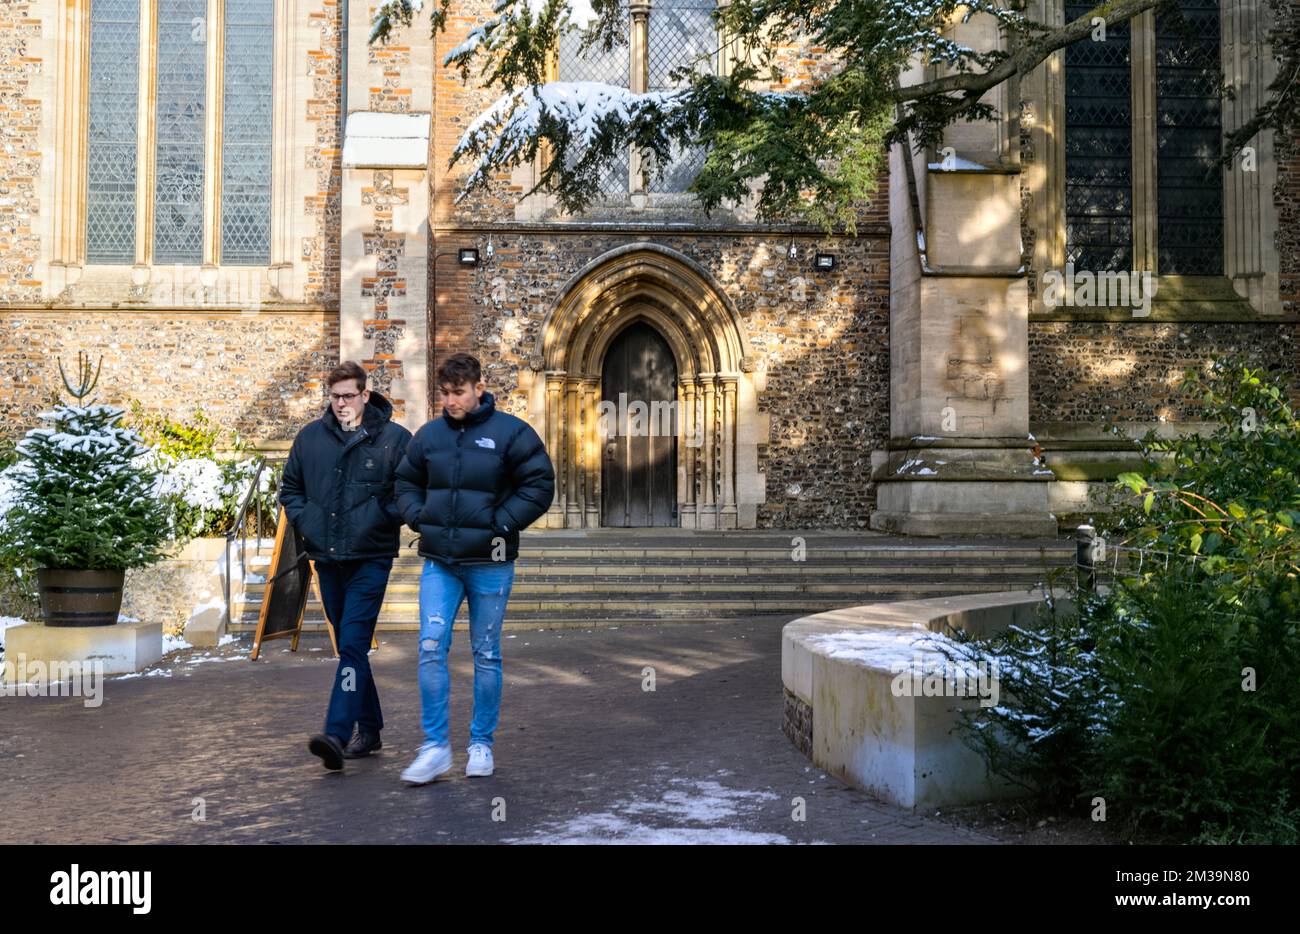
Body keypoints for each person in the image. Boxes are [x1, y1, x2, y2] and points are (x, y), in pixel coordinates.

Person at [394, 352, 555, 783]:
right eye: (445, 393)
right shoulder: (428, 436)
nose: (451, 401)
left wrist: (499, 523)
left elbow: (540, 483)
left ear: (479, 388)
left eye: (459, 393)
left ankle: (481, 743)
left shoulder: (511, 433)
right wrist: (417, 516)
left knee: (486, 653)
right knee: (430, 646)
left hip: (492, 560)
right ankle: (434, 748)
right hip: (440, 561)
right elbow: (405, 481)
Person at [279, 361, 412, 771]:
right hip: (327, 558)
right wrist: (311, 523)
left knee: (352, 643)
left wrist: (379, 514)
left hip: (371, 557)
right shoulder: (310, 439)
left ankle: (337, 732)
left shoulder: (394, 440)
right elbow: (291, 490)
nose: (341, 404)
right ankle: (369, 729)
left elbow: (407, 492)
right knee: (350, 646)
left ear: (365, 395)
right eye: (335, 396)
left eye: (348, 396)